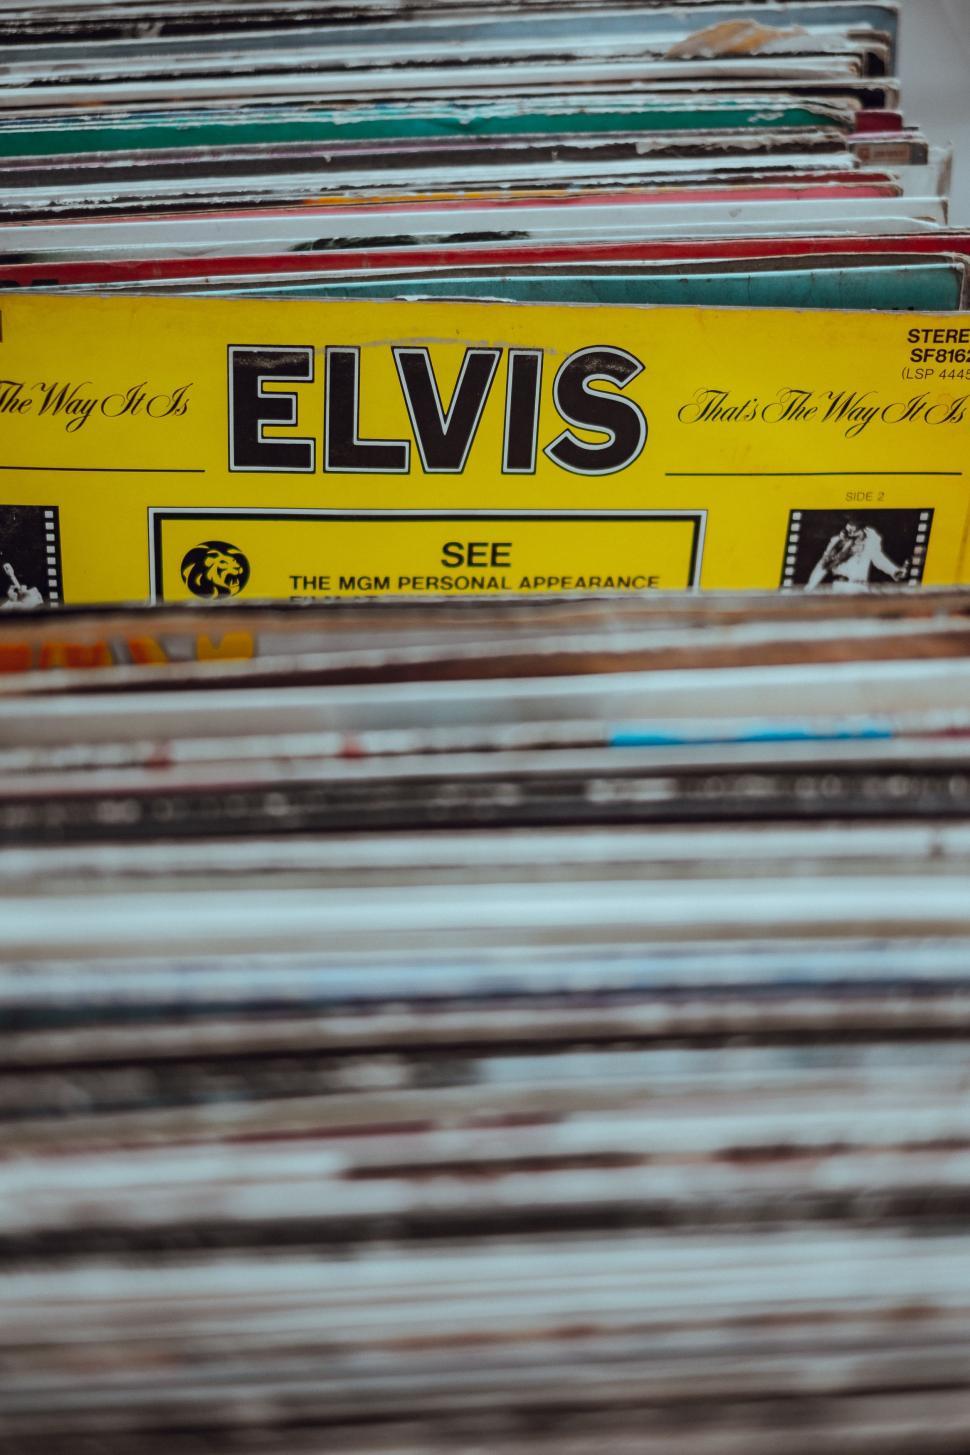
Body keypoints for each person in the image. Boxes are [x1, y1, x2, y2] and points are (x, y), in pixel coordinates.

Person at [805, 518, 909, 592]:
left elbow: (879, 560)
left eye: (854, 530)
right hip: (841, 586)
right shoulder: (838, 542)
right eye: (849, 530)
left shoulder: (870, 542)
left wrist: (895, 571)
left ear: (863, 529)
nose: (850, 533)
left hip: (861, 588)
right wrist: (810, 587)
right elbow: (823, 565)